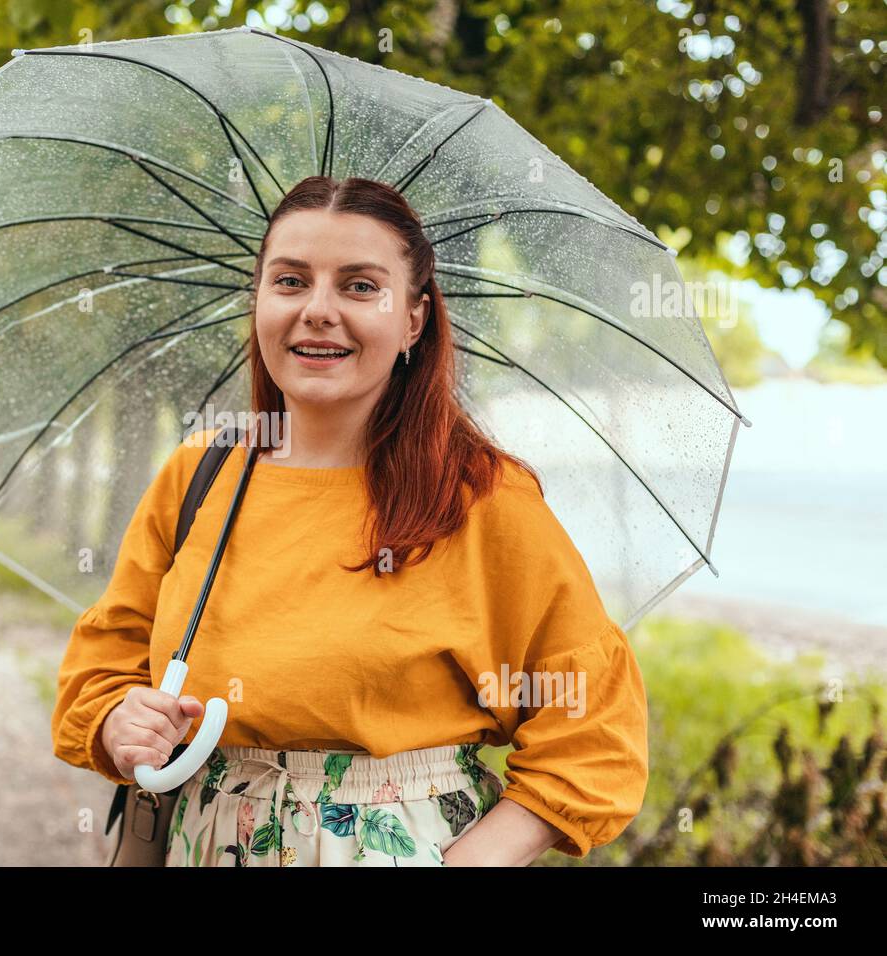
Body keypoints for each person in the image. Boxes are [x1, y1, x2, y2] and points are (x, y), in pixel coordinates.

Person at [51, 175, 649, 867]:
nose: (318, 310)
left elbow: (592, 727)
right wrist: (119, 722)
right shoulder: (200, 475)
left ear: (415, 319)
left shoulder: (483, 499)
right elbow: (104, 663)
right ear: (259, 301)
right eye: (290, 281)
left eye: (360, 286)